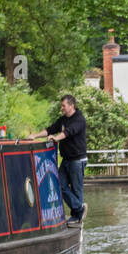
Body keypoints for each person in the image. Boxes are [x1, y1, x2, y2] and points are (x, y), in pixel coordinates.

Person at [26, 94, 87, 227]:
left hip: (77, 160)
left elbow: (68, 132)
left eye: (63, 106)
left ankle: (77, 216)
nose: (62, 108)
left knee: (76, 190)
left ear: (71, 106)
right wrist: (34, 136)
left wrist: (56, 138)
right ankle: (79, 208)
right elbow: (50, 129)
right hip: (66, 159)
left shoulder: (79, 119)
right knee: (59, 185)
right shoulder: (63, 120)